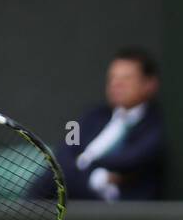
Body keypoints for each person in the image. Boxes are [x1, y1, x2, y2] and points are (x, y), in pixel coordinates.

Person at [56, 49, 163, 201]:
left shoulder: (155, 124)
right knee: (51, 178)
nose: (116, 84)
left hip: (117, 204)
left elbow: (130, 160)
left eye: (126, 78)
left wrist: (84, 166)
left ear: (149, 84)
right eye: (112, 78)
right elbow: (67, 147)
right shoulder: (91, 116)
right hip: (76, 189)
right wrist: (97, 176)